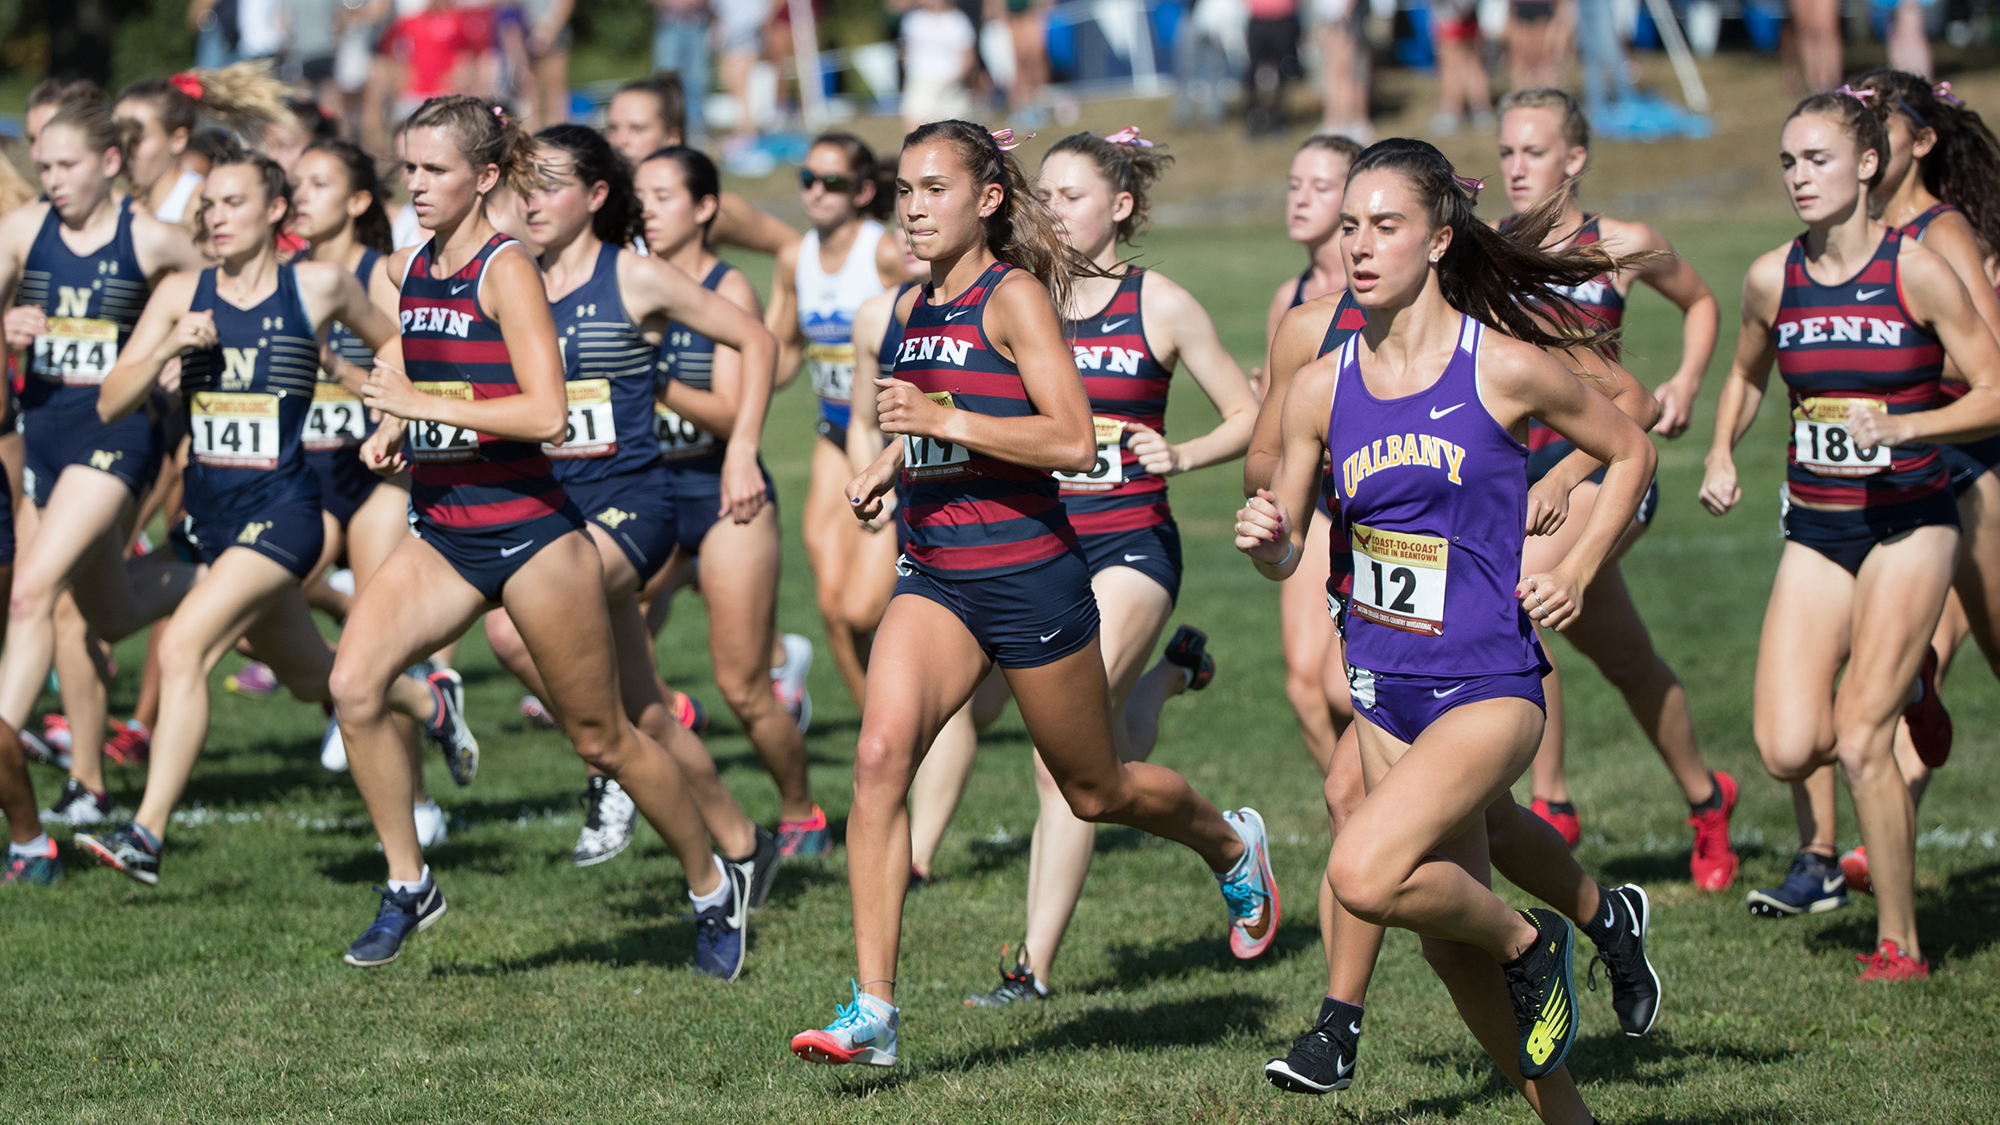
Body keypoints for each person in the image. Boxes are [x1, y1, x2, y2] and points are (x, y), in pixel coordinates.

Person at [787, 119, 1278, 1069]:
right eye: (904, 189)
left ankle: (1228, 844)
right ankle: (874, 1011)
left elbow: (1070, 440)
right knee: (881, 756)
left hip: (1030, 574)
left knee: (1094, 788)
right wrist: (893, 458)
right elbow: (936, 421)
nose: (914, 206)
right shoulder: (912, 305)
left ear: (987, 200)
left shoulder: (1014, 298)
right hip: (935, 573)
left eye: (936, 189)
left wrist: (940, 418)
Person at [1241, 137, 1658, 1121]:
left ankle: (1533, 940)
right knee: (1439, 938)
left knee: (1360, 871)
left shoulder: (1503, 366)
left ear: (1436, 240)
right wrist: (1264, 539)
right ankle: (1566, 1113)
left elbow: (1629, 448)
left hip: (1485, 684)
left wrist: (1580, 567)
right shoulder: (1317, 386)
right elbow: (1287, 547)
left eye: (1383, 225)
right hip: (1381, 686)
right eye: (1348, 226)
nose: (1359, 244)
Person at [325, 96, 747, 978]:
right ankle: (409, 883)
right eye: (407, 168)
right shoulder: (413, 266)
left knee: (606, 739)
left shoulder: (506, 267)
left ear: (485, 178)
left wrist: (423, 405)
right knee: (354, 685)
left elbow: (547, 412)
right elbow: (413, 352)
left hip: (530, 532)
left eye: (433, 170)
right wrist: (394, 410)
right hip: (444, 527)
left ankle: (712, 886)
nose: (415, 185)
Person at [72, 153, 461, 885]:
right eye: (209, 205)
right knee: (310, 671)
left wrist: (393, 411)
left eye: (233, 202)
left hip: (283, 514)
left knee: (185, 645)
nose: (215, 217)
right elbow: (109, 401)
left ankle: (145, 835)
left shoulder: (315, 287)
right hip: (208, 522)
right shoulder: (181, 293)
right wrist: (165, 343)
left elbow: (395, 339)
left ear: (276, 212)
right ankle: (429, 702)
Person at [950, 127, 1258, 1004]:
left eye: (1072, 195)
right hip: (1040, 544)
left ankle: (1031, 969)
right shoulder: (1019, 297)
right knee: (1100, 750)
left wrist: (1185, 455)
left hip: (1130, 547)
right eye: (1040, 194)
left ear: (1120, 207)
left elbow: (1247, 412)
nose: (1052, 210)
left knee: (1061, 762)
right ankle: (1170, 685)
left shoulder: (1159, 302)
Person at [1699, 91, 2000, 981]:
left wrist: (1909, 429)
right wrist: (1721, 450)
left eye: (1818, 159)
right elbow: (1748, 370)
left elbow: (1993, 387)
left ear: (1869, 166)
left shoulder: (1919, 269)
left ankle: (1900, 942)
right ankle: (1914, 680)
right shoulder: (1770, 276)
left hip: (1912, 522)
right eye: (1789, 161)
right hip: (1819, 526)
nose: (1799, 176)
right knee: (1790, 744)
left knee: (1861, 735)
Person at [477, 127, 783, 895]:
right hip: (551, 508)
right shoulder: (511, 279)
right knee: (645, 715)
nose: (532, 201)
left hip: (629, 508)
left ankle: (602, 765)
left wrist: (742, 447)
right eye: (525, 186)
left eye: (550, 185)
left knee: (512, 628)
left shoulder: (637, 278)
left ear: (597, 195)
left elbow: (756, 341)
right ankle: (746, 843)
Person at [1493, 88, 1740, 889]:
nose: (1517, 167)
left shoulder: (1621, 244)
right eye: (1506, 152)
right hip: (1512, 475)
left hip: (1606, 467)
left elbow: (1701, 302)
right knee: (1627, 658)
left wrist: (1687, 383)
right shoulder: (1484, 249)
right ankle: (1709, 798)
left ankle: (1552, 801)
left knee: (1523, 593)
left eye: (1534, 151)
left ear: (1575, 158)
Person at [1783, 71, 2000, 900]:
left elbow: (1982, 361)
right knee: (1873, 661)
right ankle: (1846, 845)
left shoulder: (1938, 237)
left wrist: (1894, 366)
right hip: (1858, 475)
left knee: (1945, 648)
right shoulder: (1836, 225)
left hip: (1960, 454)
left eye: (1876, 117)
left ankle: (1883, 821)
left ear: (1908, 145)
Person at [0, 96, 212, 828]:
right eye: (44, 165)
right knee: (100, 610)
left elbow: (229, 293)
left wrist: (186, 355)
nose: (52, 179)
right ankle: (208, 577)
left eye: (67, 165)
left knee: (30, 592)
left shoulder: (151, 240)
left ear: (110, 163)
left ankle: (1, 744)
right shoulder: (25, 231)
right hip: (45, 432)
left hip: (117, 433)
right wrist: (4, 322)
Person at [634, 143, 824, 863]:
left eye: (662, 195)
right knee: (577, 643)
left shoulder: (728, 291)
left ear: (705, 208)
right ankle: (675, 726)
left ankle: (801, 810)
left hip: (725, 498)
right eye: (640, 195)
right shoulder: (627, 282)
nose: (646, 207)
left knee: (744, 687)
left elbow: (726, 409)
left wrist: (650, 381)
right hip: (647, 494)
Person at [766, 133, 905, 742]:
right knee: (831, 606)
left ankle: (949, 690)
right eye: (808, 180)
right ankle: (884, 734)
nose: (817, 193)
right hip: (833, 435)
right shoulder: (793, 258)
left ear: (864, 192)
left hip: (888, 441)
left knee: (859, 607)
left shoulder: (886, 256)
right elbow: (780, 355)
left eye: (834, 183)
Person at [1258, 134, 1363, 784]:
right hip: (1314, 497)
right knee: (1304, 687)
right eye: (1295, 184)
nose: (1301, 199)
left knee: (1338, 685)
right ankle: (1354, 817)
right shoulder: (1289, 298)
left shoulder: (1387, 285)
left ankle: (1391, 814)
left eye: (1320, 187)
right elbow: (1273, 417)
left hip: (1375, 499)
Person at [600, 74, 802, 259]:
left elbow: (797, 249)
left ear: (672, 137)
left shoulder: (704, 208)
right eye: (612, 128)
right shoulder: (596, 204)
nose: (620, 140)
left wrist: (783, 299)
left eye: (638, 129)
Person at [899, 0, 977, 129]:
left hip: (950, 84)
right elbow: (906, 50)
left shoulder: (957, 20)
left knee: (954, 131)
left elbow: (968, 56)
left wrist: (954, 80)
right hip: (921, 80)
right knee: (916, 129)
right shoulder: (913, 19)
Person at [1429, 0, 1492, 136]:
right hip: (1467, 13)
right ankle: (1481, 110)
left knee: (1452, 63)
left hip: (1453, 14)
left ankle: (1452, 111)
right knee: (1472, 62)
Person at [1313, 0, 1371, 142]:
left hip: (1342, 21)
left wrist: (1344, 19)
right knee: (1333, 73)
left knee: (1343, 74)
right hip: (1331, 20)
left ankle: (1346, 121)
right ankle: (1333, 121)